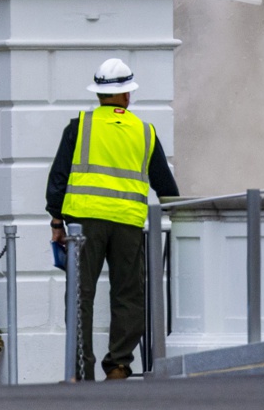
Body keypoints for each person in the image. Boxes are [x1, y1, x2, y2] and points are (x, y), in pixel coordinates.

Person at [45, 57, 179, 380]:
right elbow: (167, 188)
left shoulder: (79, 126)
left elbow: (58, 178)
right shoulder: (144, 132)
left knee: (81, 295)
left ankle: (81, 368)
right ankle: (119, 365)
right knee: (128, 295)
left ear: (98, 95)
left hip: (82, 225)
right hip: (128, 225)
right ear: (127, 95)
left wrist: (56, 222)